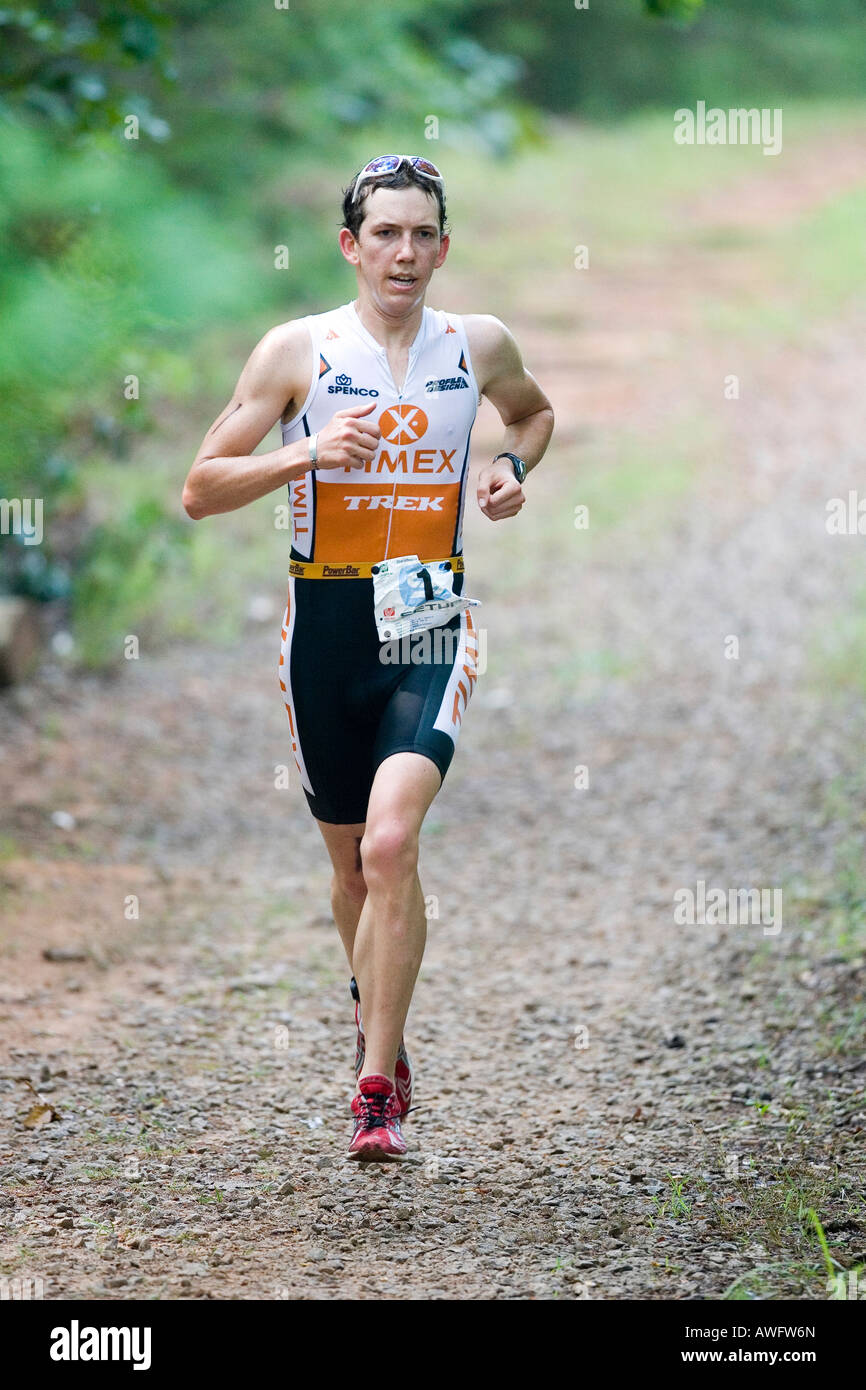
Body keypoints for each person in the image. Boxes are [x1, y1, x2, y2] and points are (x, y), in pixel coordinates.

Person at [183, 154, 554, 1160]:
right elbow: (201, 486)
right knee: (351, 868)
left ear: (443, 246)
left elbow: (529, 412)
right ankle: (372, 1006)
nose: (403, 251)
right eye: (383, 233)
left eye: (420, 233)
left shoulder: (475, 345)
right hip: (325, 627)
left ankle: (375, 1088)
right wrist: (304, 452)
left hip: (430, 618)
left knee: (392, 845)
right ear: (350, 245)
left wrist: (506, 468)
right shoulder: (296, 352)